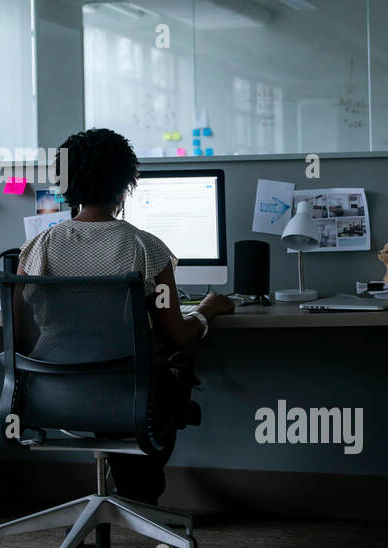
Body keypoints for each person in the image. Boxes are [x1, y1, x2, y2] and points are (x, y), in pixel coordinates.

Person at [18, 128, 236, 504]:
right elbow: (177, 336)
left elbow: (21, 337)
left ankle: (130, 493)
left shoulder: (38, 248)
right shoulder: (146, 249)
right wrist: (207, 308)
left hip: (52, 394)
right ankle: (139, 494)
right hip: (128, 395)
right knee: (163, 377)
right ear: (127, 184)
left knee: (128, 383)